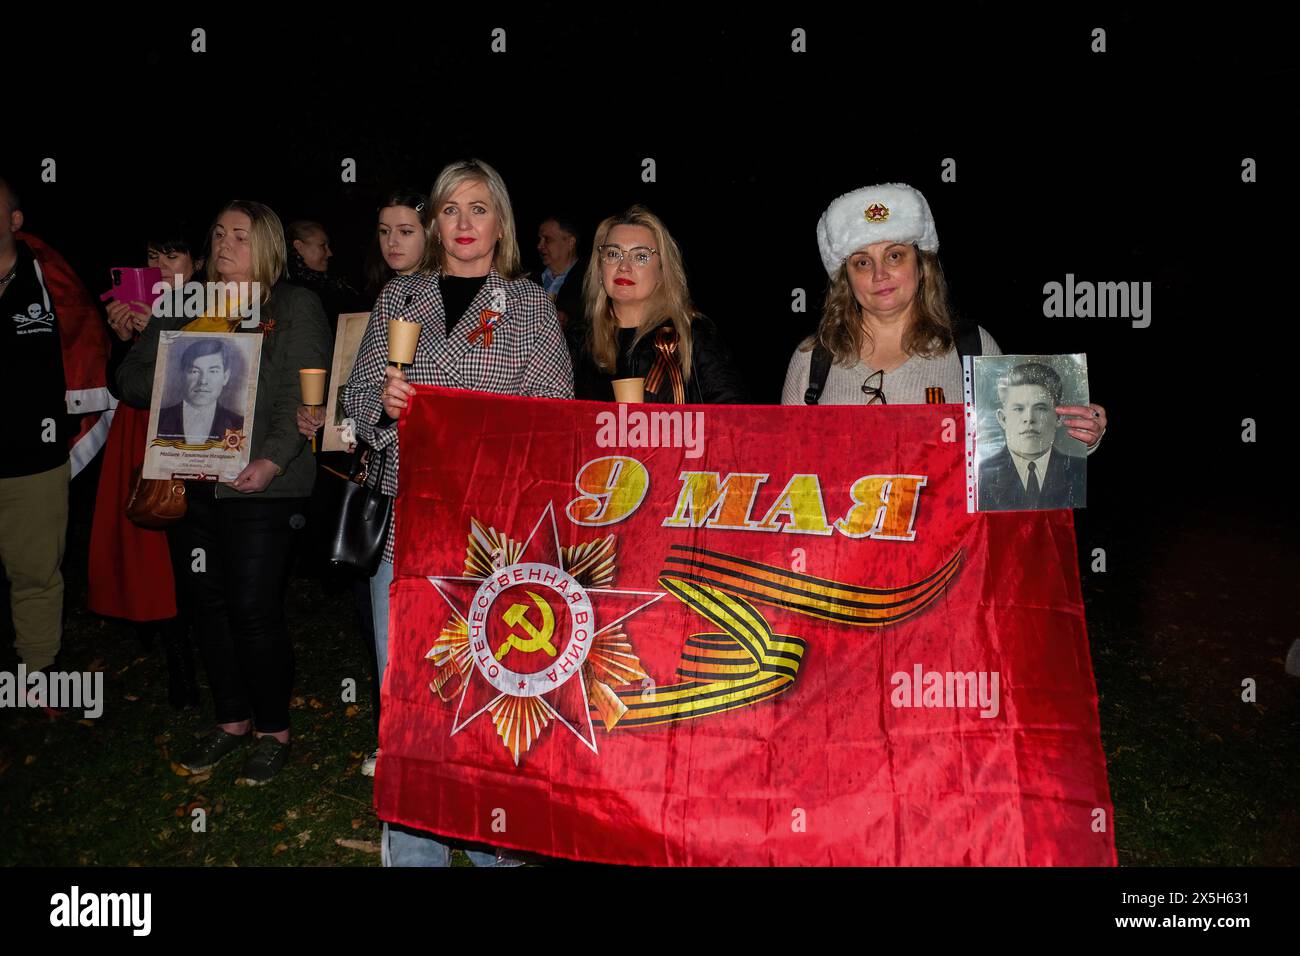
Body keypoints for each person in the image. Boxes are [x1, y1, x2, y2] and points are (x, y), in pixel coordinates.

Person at [342, 158, 572, 865]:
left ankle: (499, 840)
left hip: (493, 534)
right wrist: (383, 411)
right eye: (451, 210)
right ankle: (414, 846)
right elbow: (353, 406)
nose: (464, 224)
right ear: (436, 221)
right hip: (408, 522)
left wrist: (478, 427)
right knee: (407, 691)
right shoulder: (398, 300)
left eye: (479, 209)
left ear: (500, 222)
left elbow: (556, 417)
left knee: (492, 687)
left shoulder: (527, 305)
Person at [118, 200, 330, 784]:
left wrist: (271, 459)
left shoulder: (292, 305)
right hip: (192, 483)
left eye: (239, 235)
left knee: (253, 608)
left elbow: (302, 398)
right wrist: (176, 361)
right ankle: (230, 720)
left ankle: (273, 728)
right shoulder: (187, 304)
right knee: (206, 605)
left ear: (266, 244)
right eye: (217, 234)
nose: (224, 244)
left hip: (262, 487)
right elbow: (129, 379)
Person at [781, 182, 1109, 456]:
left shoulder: (971, 347)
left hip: (952, 534)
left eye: (894, 256)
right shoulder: (813, 360)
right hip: (842, 534)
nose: (880, 274)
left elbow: (1019, 450)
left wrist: (1078, 434)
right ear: (846, 278)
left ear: (921, 265)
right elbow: (784, 466)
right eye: (863, 263)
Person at [302, 187, 432, 777]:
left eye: (405, 229)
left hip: (454, 495)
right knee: (385, 622)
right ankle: (399, 739)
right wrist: (363, 411)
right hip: (384, 489)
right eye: (384, 231)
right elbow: (354, 402)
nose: (393, 242)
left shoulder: (479, 302)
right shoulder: (385, 300)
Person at [0, 175, 110, 682]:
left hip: (34, 455)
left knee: (36, 569)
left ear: (15, 221)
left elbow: (86, 341)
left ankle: (39, 671)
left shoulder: (48, 278)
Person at [89, 223, 203, 706]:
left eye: (173, 257)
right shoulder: (141, 306)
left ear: (197, 264)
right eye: (153, 256)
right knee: (147, 540)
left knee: (194, 545)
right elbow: (124, 383)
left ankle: (197, 649)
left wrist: (155, 333)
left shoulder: (213, 304)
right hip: (139, 429)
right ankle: (174, 656)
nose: (160, 269)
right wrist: (127, 338)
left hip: (192, 431)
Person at [569, 205, 745, 404]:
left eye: (641, 256)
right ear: (600, 269)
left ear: (662, 272)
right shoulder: (578, 341)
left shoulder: (692, 335)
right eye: (613, 254)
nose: (624, 266)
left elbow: (734, 421)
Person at [978, 362, 1087, 511]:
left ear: (1059, 417)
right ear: (1003, 419)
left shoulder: (1079, 472)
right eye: (1018, 409)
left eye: (1040, 408)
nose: (1029, 418)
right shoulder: (979, 477)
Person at [155, 338, 245, 444]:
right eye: (194, 371)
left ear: (225, 377)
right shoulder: (158, 420)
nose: (203, 381)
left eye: (213, 371)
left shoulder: (240, 424)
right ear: (182, 376)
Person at [286, 219, 362, 329]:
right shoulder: (295, 291)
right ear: (299, 246)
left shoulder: (327, 283)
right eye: (323, 245)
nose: (329, 253)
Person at [531, 216, 584, 328]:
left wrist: (569, 321)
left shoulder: (589, 282)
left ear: (570, 242)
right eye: (540, 239)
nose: (539, 246)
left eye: (547, 239)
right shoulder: (530, 279)